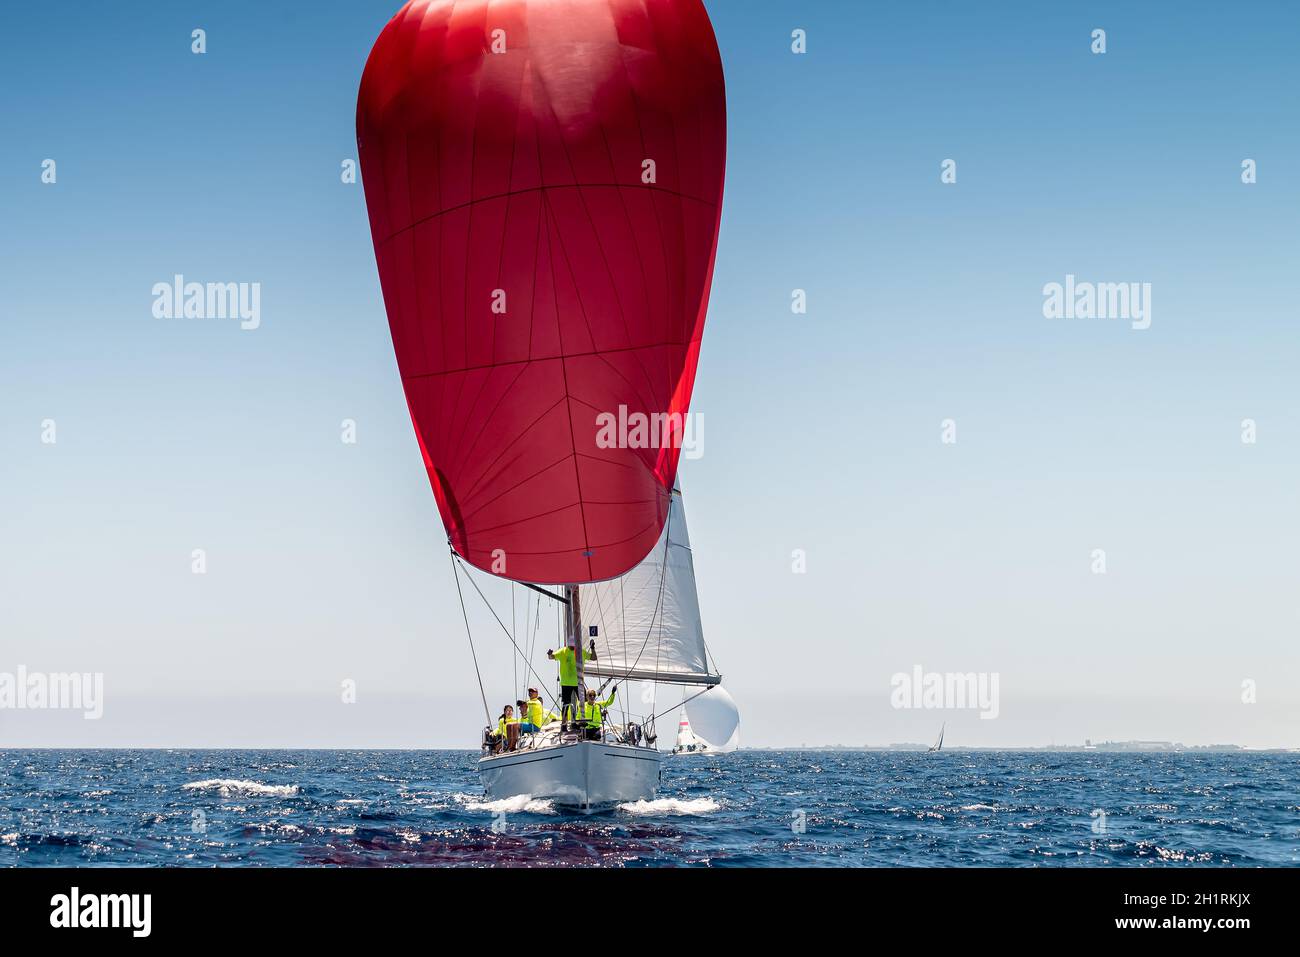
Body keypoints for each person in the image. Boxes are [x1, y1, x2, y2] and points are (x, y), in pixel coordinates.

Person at [547, 639, 596, 729]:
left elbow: (593, 658)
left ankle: (581, 722)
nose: (572, 647)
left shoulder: (581, 651)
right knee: (566, 703)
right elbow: (552, 657)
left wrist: (592, 648)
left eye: (573, 646)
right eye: (571, 646)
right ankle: (564, 724)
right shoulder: (563, 651)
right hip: (566, 683)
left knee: (584, 702)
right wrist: (549, 654)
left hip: (579, 682)